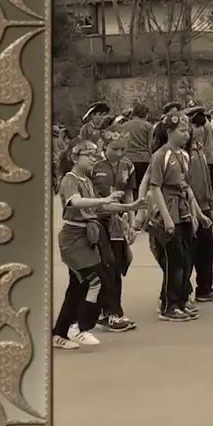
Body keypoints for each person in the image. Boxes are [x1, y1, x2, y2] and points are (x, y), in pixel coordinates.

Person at [54, 141, 134, 349]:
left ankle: (60, 332)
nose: (93, 158)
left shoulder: (86, 180)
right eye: (88, 155)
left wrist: (129, 206)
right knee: (95, 280)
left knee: (77, 286)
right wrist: (103, 200)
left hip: (87, 235)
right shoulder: (69, 180)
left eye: (94, 155)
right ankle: (81, 327)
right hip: (73, 238)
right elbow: (76, 202)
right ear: (74, 157)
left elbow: (102, 205)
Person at [144, 112, 211, 321]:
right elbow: (155, 188)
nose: (186, 134)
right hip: (168, 209)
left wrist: (198, 214)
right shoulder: (160, 156)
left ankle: (182, 300)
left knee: (185, 258)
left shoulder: (184, 155)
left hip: (183, 211)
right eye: (182, 131)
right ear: (169, 132)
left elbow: (187, 187)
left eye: (187, 131)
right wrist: (166, 218)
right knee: (173, 261)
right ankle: (169, 305)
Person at [90, 131, 144, 332]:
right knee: (107, 265)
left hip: (117, 219)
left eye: (123, 149)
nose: (119, 153)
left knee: (120, 263)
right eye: (115, 149)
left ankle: (111, 311)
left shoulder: (128, 165)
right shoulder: (94, 165)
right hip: (97, 220)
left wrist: (131, 221)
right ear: (104, 146)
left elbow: (129, 193)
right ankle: (110, 312)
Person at [185, 106, 213, 302]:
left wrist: (211, 207)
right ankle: (179, 295)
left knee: (206, 250)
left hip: (203, 207)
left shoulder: (200, 150)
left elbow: (206, 182)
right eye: (196, 125)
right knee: (186, 254)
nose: (201, 130)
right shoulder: (177, 154)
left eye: (202, 126)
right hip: (185, 210)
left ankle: (205, 288)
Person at [120, 102, 154, 192]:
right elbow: (150, 145)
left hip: (127, 159)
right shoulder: (148, 126)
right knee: (143, 187)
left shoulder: (124, 126)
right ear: (145, 114)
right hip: (143, 159)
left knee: (129, 189)